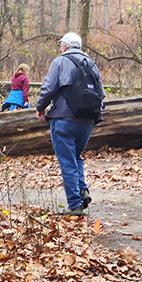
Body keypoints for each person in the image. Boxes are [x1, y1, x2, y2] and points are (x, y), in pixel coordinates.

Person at [36, 32, 105, 216]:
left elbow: (48, 88)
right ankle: (82, 191)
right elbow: (101, 93)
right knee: (76, 156)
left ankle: (74, 205)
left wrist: (40, 107)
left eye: (61, 45)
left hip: (64, 120)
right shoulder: (91, 64)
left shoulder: (59, 62)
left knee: (67, 161)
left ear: (65, 46)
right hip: (87, 120)